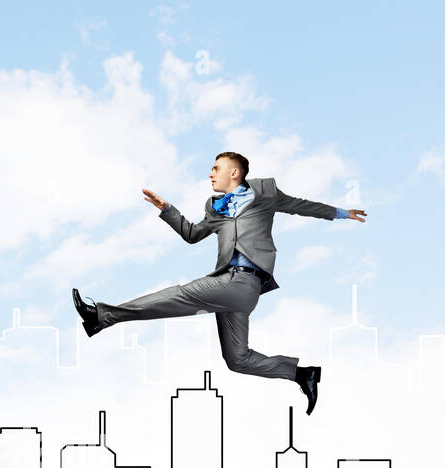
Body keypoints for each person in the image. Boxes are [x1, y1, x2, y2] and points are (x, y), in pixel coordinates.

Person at [73, 151, 366, 414]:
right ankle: (302, 374)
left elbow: (301, 206)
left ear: (234, 173)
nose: (211, 174)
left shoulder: (266, 193)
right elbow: (191, 234)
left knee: (183, 294)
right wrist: (168, 209)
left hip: (244, 283)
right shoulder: (216, 209)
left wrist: (342, 213)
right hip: (229, 285)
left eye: (216, 168)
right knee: (237, 359)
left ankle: (102, 316)